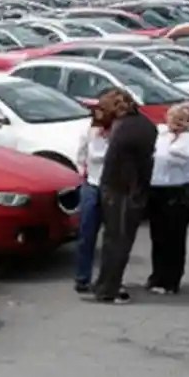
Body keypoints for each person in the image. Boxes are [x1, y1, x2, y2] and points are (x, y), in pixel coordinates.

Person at [92, 89, 157, 305]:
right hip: (126, 189)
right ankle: (107, 284)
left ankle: (107, 288)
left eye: (103, 108)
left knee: (116, 242)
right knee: (117, 241)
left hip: (122, 191)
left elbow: (117, 163)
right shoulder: (143, 124)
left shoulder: (127, 129)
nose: (99, 113)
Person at [146, 103, 189, 295]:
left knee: (174, 237)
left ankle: (171, 280)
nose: (176, 123)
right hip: (157, 190)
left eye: (181, 119)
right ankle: (157, 276)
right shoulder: (162, 135)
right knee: (158, 236)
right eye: (173, 118)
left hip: (180, 191)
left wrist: (165, 153)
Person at [74, 105, 111, 294]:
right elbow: (81, 156)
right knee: (86, 234)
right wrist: (84, 173)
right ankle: (83, 278)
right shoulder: (89, 132)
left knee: (112, 238)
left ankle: (108, 279)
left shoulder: (118, 134)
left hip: (112, 188)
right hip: (92, 185)